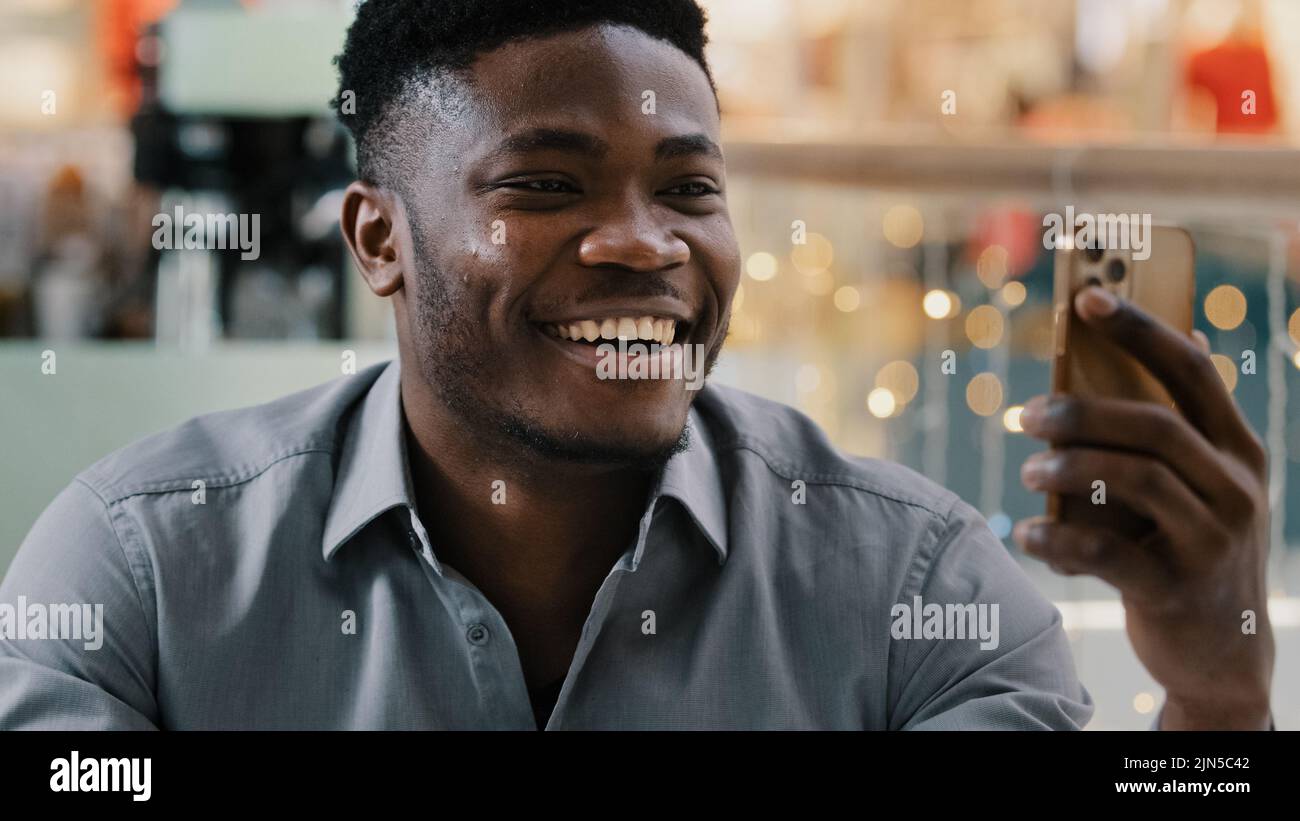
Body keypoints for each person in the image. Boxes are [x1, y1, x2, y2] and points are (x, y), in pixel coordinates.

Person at [0, 0, 1272, 730]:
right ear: (379, 239)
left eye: (688, 188)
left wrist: (1215, 698)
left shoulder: (916, 597)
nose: (639, 242)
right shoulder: (143, 578)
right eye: (546, 185)